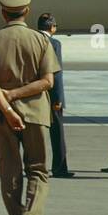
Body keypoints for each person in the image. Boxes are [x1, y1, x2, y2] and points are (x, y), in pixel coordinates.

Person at [0, 0, 59, 215]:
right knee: (38, 169)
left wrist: (8, 108)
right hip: (36, 113)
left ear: (3, 13)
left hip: (3, 116)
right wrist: (18, 96)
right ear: (27, 11)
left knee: (10, 173)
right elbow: (47, 81)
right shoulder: (41, 40)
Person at [38, 13, 72, 178]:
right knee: (57, 133)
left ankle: (32, 165)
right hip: (51, 94)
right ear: (52, 27)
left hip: (33, 93)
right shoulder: (54, 43)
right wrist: (58, 97)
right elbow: (56, 72)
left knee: (33, 132)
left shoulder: (31, 40)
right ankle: (59, 167)